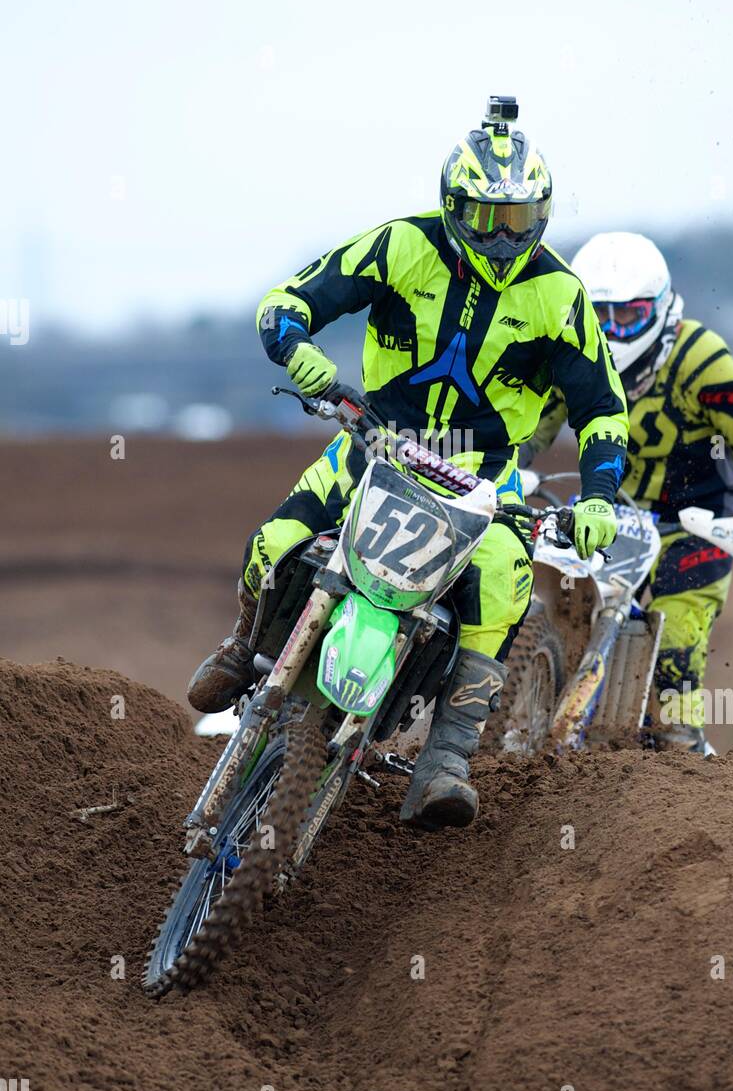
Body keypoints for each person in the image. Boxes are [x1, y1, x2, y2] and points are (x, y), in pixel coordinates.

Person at [187, 98, 629, 826]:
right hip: (372, 445)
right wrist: (297, 350)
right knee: (275, 543)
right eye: (485, 216)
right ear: (453, 205)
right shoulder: (399, 246)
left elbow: (604, 410)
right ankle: (243, 646)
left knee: (503, 585)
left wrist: (601, 495)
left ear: (541, 213)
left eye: (516, 218)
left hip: (482, 479)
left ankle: (445, 759)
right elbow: (286, 299)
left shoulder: (561, 295)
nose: (499, 234)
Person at [519, 231, 733, 753]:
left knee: (678, 624)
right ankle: (509, 713)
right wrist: (505, 471)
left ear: (662, 309)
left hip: (699, 522)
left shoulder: (698, 356)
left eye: (630, 315)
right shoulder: (573, 357)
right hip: (612, 514)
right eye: (600, 315)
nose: (614, 332)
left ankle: (680, 746)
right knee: (550, 585)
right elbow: (531, 430)